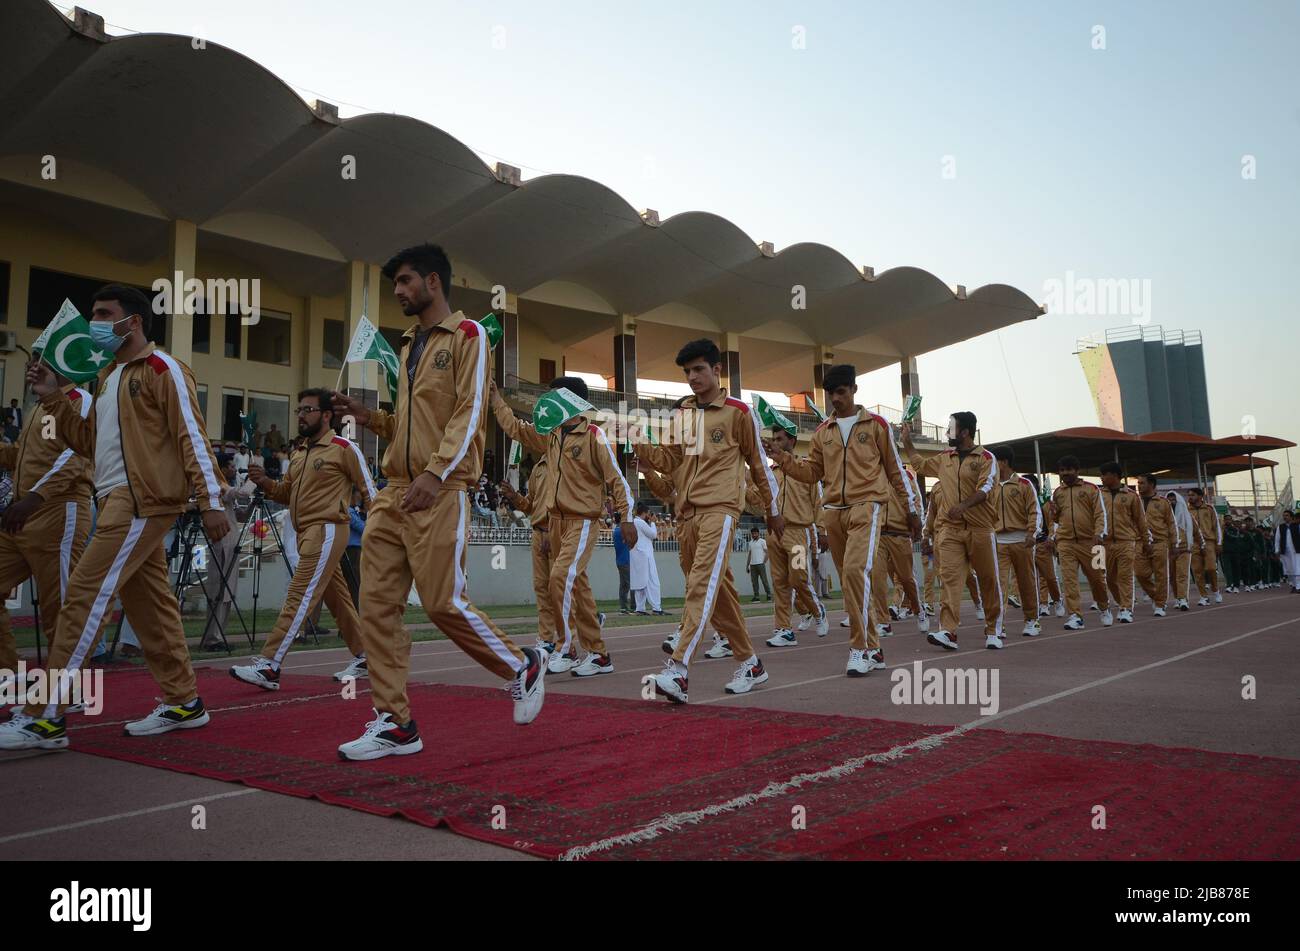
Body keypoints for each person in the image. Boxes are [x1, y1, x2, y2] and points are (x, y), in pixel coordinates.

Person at [329, 244, 545, 760]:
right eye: (394, 285)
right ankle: (395, 722)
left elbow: (470, 412)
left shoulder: (468, 336)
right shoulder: (408, 345)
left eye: (404, 282)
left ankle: (522, 665)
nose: (398, 292)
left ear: (432, 281)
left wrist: (435, 470)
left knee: (442, 600)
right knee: (376, 607)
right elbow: (411, 423)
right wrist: (373, 417)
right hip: (394, 492)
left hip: (440, 489)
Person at [2, 284, 228, 751]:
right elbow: (86, 443)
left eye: (105, 314)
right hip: (115, 499)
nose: (95, 323)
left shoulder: (163, 369)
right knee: (151, 608)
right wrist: (53, 397)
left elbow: (192, 435)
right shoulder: (108, 378)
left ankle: (45, 716)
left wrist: (212, 502)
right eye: (93, 314)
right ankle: (184, 701)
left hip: (141, 500)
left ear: (135, 321)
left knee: (85, 596)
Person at [638, 339, 783, 701]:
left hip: (721, 511)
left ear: (717, 370)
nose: (692, 377)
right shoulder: (682, 414)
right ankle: (751, 663)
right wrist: (639, 441)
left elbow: (759, 466)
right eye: (687, 372)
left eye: (699, 369)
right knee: (719, 596)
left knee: (700, 585)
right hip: (687, 516)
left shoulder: (738, 412)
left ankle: (678, 671)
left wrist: (774, 510)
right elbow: (670, 462)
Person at [772, 364, 918, 673]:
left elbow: (895, 471)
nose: (835, 399)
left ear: (853, 390)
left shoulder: (877, 425)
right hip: (834, 513)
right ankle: (875, 648)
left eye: (840, 392)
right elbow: (812, 473)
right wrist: (782, 458)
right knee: (851, 582)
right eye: (830, 394)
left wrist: (912, 511)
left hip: (868, 506)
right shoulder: (823, 432)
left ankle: (859, 648)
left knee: (854, 573)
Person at [230, 389, 375, 688]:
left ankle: (270, 664)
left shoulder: (344, 448)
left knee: (300, 593)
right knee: (338, 600)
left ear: (326, 415)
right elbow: (286, 493)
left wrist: (382, 535)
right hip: (305, 532)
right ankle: (365, 657)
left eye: (307, 410)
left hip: (327, 529)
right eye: (299, 410)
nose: (300, 415)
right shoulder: (299, 452)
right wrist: (265, 482)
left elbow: (371, 494)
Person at [491, 374, 633, 675]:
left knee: (559, 577)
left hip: (582, 521)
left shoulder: (594, 435)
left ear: (570, 401)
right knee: (577, 588)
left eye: (554, 396)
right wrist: (496, 401)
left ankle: (565, 648)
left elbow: (616, 480)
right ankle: (598, 655)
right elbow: (517, 429)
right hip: (555, 523)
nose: (548, 402)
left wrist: (627, 517)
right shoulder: (552, 435)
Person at [0, 370, 94, 694]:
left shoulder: (80, 401)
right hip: (20, 516)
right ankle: (7, 677)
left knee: (61, 609)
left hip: (57, 514)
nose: (31, 369)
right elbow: (24, 459)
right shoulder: (38, 407)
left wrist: (32, 499)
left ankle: (70, 689)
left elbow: (75, 457)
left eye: (41, 361)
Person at [900, 411, 1000, 650]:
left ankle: (994, 629)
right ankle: (948, 631)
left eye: (950, 428)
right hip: (950, 531)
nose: (946, 433)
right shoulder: (945, 457)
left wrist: (964, 505)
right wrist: (908, 443)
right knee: (950, 580)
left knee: (988, 581)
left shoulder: (986, 458)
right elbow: (921, 465)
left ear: (964, 432)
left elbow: (986, 487)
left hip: (980, 529)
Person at [750, 423, 828, 647]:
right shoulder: (770, 473)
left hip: (797, 533)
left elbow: (819, 502)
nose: (775, 443)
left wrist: (822, 531)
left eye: (780, 439)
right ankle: (784, 629)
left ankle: (817, 610)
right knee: (780, 583)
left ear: (792, 442)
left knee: (798, 578)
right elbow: (757, 499)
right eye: (773, 439)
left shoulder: (805, 469)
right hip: (774, 534)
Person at [499, 462, 564, 653]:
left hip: (556, 531)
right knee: (541, 588)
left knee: (559, 589)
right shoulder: (539, 467)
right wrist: (515, 497)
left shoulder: (564, 461)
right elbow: (530, 506)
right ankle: (546, 639)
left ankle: (567, 641)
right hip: (537, 533)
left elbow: (566, 502)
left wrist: (549, 528)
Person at [198, 459, 256, 651]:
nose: (232, 469)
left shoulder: (223, 487)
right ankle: (212, 638)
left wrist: (255, 503)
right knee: (218, 592)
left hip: (232, 542)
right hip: (222, 542)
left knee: (228, 592)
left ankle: (219, 635)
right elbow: (242, 493)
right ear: (220, 469)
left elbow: (240, 516)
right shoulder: (215, 484)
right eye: (229, 466)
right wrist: (254, 479)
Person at [1048, 455, 1111, 630]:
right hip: (1066, 542)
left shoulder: (1091, 489)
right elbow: (1056, 518)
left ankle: (1104, 608)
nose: (1064, 473)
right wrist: (1054, 518)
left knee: (1097, 579)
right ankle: (1075, 615)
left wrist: (1099, 533)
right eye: (1061, 470)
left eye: (1068, 470)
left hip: (1091, 542)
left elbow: (1100, 513)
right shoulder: (1058, 492)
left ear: (1076, 471)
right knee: (1069, 580)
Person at [989, 446, 1043, 637]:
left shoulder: (1024, 484)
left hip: (1022, 540)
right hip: (998, 542)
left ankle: (1032, 620)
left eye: (994, 461)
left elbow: (1034, 510)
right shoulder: (990, 486)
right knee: (998, 585)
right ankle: (998, 625)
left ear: (1003, 462)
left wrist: (1032, 533)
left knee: (1026, 583)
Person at [1098, 462, 1148, 624]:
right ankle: (1121, 603)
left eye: (1104, 474)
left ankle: (1126, 608)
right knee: (1108, 579)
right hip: (1104, 544)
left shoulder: (1132, 495)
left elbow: (1141, 521)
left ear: (1114, 475)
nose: (1102, 477)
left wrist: (1146, 541)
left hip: (1126, 542)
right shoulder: (1098, 495)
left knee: (1125, 576)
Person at [1133, 474, 1173, 617]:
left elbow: (1171, 523)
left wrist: (1174, 543)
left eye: (1142, 483)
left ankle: (1160, 605)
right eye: (1138, 483)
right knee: (1140, 573)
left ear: (1151, 484)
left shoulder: (1163, 502)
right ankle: (1156, 596)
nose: (1139, 485)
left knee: (1161, 576)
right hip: (1140, 543)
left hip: (1159, 543)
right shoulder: (1135, 501)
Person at [1187, 487, 1222, 606]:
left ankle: (1216, 590)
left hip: (1209, 542)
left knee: (1211, 568)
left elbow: (1217, 526)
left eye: (1192, 495)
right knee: (1197, 571)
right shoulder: (1187, 510)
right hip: (1194, 543)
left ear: (1200, 496)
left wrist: (1219, 543)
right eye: (1189, 495)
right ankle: (1203, 596)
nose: (1190, 497)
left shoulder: (1209, 508)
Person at [630, 502, 664, 614]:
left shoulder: (633, 522)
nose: (650, 515)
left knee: (640, 583)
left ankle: (640, 608)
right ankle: (656, 608)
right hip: (645, 556)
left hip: (637, 555)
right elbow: (653, 535)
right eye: (648, 513)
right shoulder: (639, 522)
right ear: (644, 513)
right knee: (653, 582)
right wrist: (653, 523)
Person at [1166, 490, 1196, 610]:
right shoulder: (1164, 516)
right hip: (1169, 550)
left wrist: (1195, 545)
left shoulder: (1187, 515)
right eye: (1169, 500)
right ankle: (1178, 598)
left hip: (1184, 549)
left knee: (1182, 574)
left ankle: (1183, 599)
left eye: (1174, 499)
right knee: (1172, 576)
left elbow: (1196, 531)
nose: (1171, 502)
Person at [612, 499, 632, 613]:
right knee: (626, 584)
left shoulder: (617, 530)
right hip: (624, 561)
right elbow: (629, 541)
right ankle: (623, 606)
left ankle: (624, 606)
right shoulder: (620, 531)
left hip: (621, 560)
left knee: (624, 584)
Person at [1275, 510, 1300, 592]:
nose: (1285, 517)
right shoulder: (1280, 527)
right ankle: (1293, 585)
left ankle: (1298, 586)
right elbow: (1277, 539)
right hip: (1285, 551)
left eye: (1287, 515)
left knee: (1297, 568)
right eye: (1284, 515)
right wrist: (1277, 550)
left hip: (1296, 550)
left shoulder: (1297, 526)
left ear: (1291, 517)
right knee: (1288, 569)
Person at [746, 527, 772, 602]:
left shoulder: (762, 541)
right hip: (752, 565)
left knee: (764, 580)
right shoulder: (750, 542)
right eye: (752, 534)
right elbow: (750, 555)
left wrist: (764, 562)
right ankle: (756, 597)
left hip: (760, 564)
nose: (754, 535)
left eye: (755, 533)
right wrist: (747, 565)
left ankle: (769, 595)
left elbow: (767, 552)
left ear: (758, 533)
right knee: (754, 582)